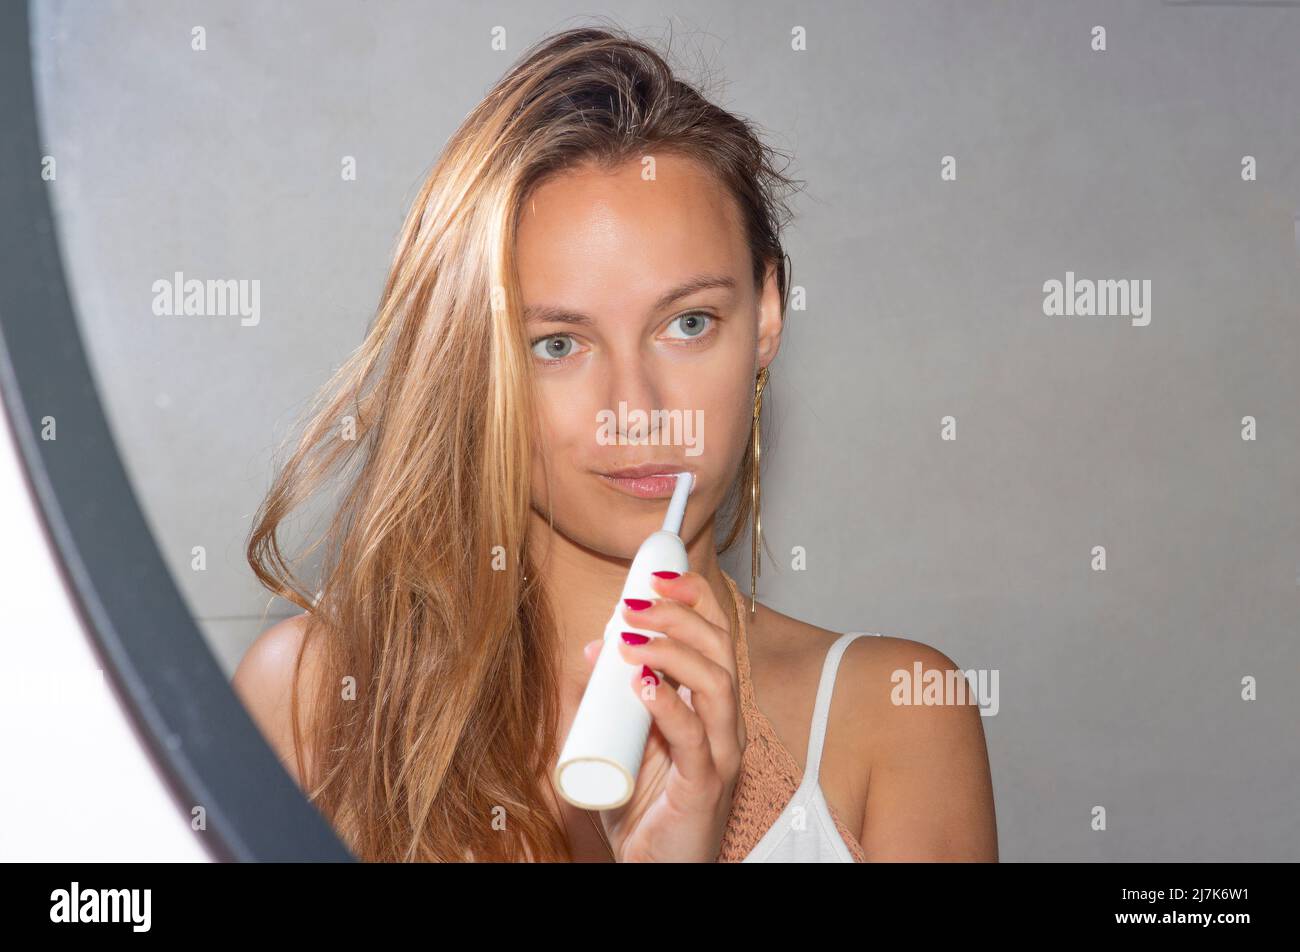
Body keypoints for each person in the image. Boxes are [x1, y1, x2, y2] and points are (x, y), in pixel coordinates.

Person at [232, 25, 997, 862]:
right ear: (474, 361)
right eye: (558, 343)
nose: (637, 412)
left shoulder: (896, 718)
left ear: (768, 314)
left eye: (688, 323)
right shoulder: (310, 701)